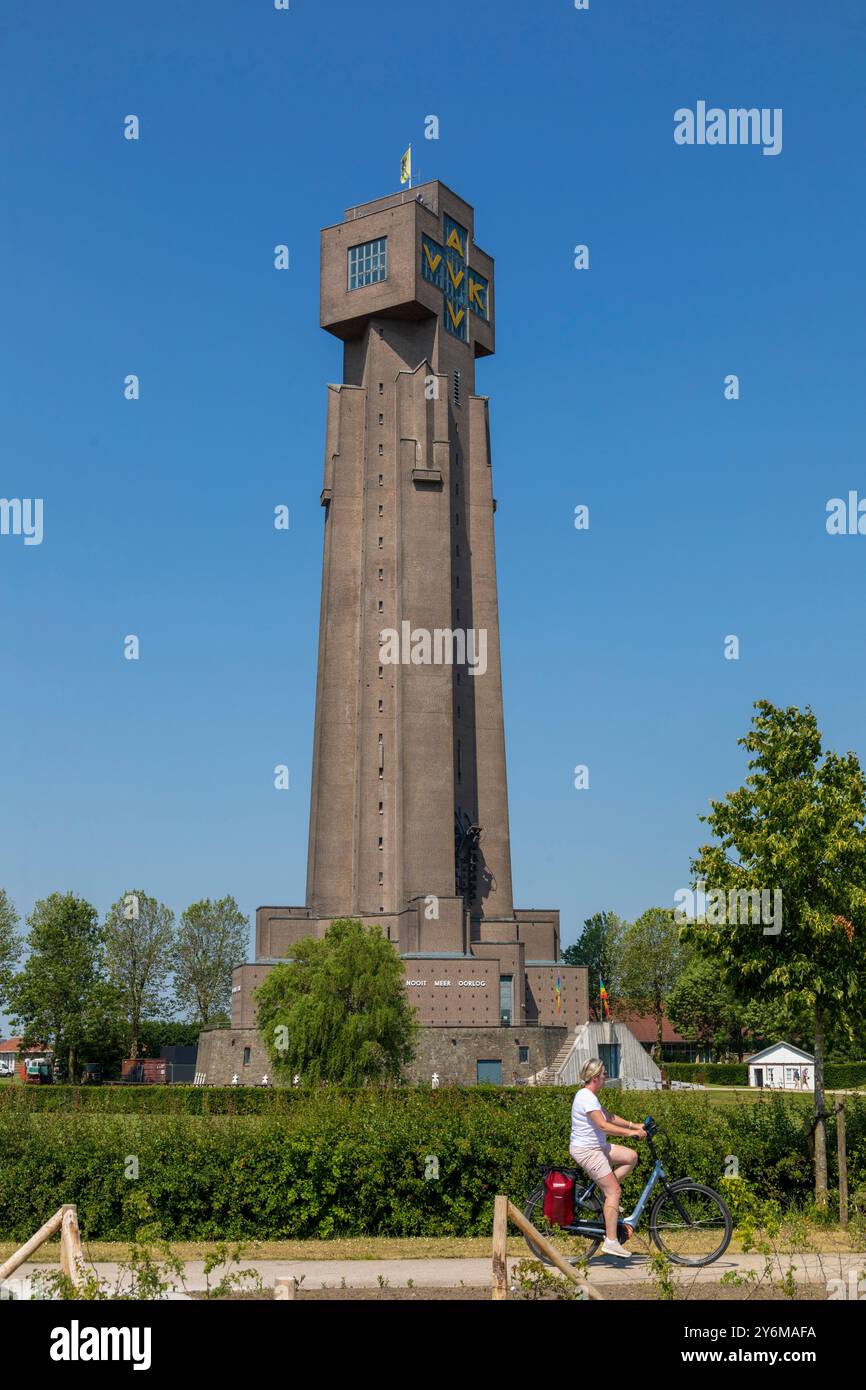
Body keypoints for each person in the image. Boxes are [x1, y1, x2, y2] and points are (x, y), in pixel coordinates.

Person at [570, 1058, 647, 1259]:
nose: (606, 1076)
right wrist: (629, 1134)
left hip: (598, 1147)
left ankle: (607, 1197)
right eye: (604, 1073)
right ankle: (611, 1241)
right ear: (595, 1077)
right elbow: (603, 1126)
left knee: (631, 1156)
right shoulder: (586, 1097)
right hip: (588, 1150)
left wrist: (635, 1125)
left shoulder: (590, 1096)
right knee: (614, 1191)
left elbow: (609, 1117)